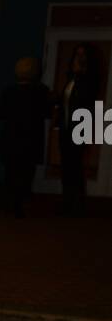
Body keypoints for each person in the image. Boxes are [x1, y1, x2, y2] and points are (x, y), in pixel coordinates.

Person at [0, 55, 52, 216]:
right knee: (26, 174)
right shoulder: (41, 92)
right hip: (31, 139)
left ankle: (11, 204)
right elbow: (47, 112)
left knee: (11, 173)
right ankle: (20, 204)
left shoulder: (9, 91)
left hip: (12, 138)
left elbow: (0, 113)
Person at [54, 43, 99, 217]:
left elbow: (86, 101)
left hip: (79, 127)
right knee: (67, 166)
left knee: (75, 166)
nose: (79, 58)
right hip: (67, 127)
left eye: (83, 55)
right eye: (77, 54)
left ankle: (76, 205)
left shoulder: (88, 79)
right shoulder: (71, 79)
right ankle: (68, 203)